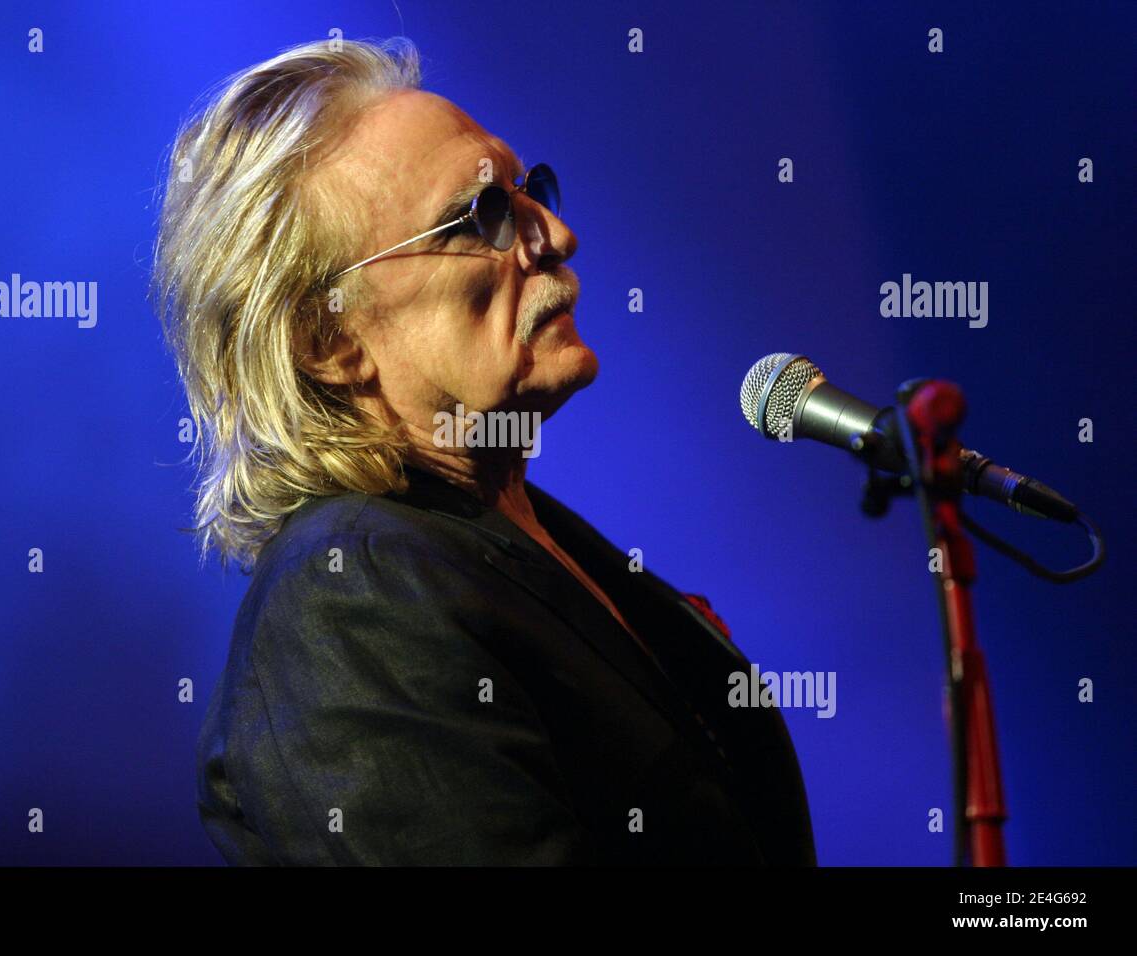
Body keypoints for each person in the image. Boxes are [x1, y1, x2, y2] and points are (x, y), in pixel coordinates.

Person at [152, 36, 815, 865]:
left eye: (529, 191)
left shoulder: (511, 542)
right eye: (483, 217)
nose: (559, 238)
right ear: (327, 338)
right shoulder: (353, 592)